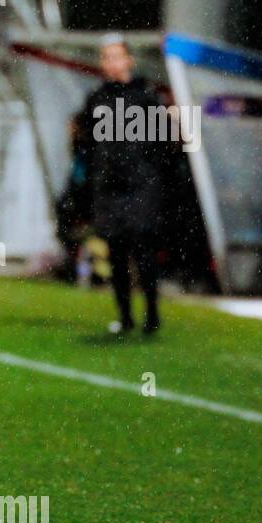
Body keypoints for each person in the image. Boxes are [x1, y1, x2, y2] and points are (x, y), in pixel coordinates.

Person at [73, 34, 171, 334]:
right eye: (106, 57)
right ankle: (125, 316)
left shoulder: (146, 95)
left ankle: (152, 314)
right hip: (109, 187)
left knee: (143, 250)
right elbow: (86, 144)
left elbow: (164, 143)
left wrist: (152, 177)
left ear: (129, 59)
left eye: (116, 56)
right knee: (115, 252)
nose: (111, 63)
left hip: (140, 186)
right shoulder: (97, 98)